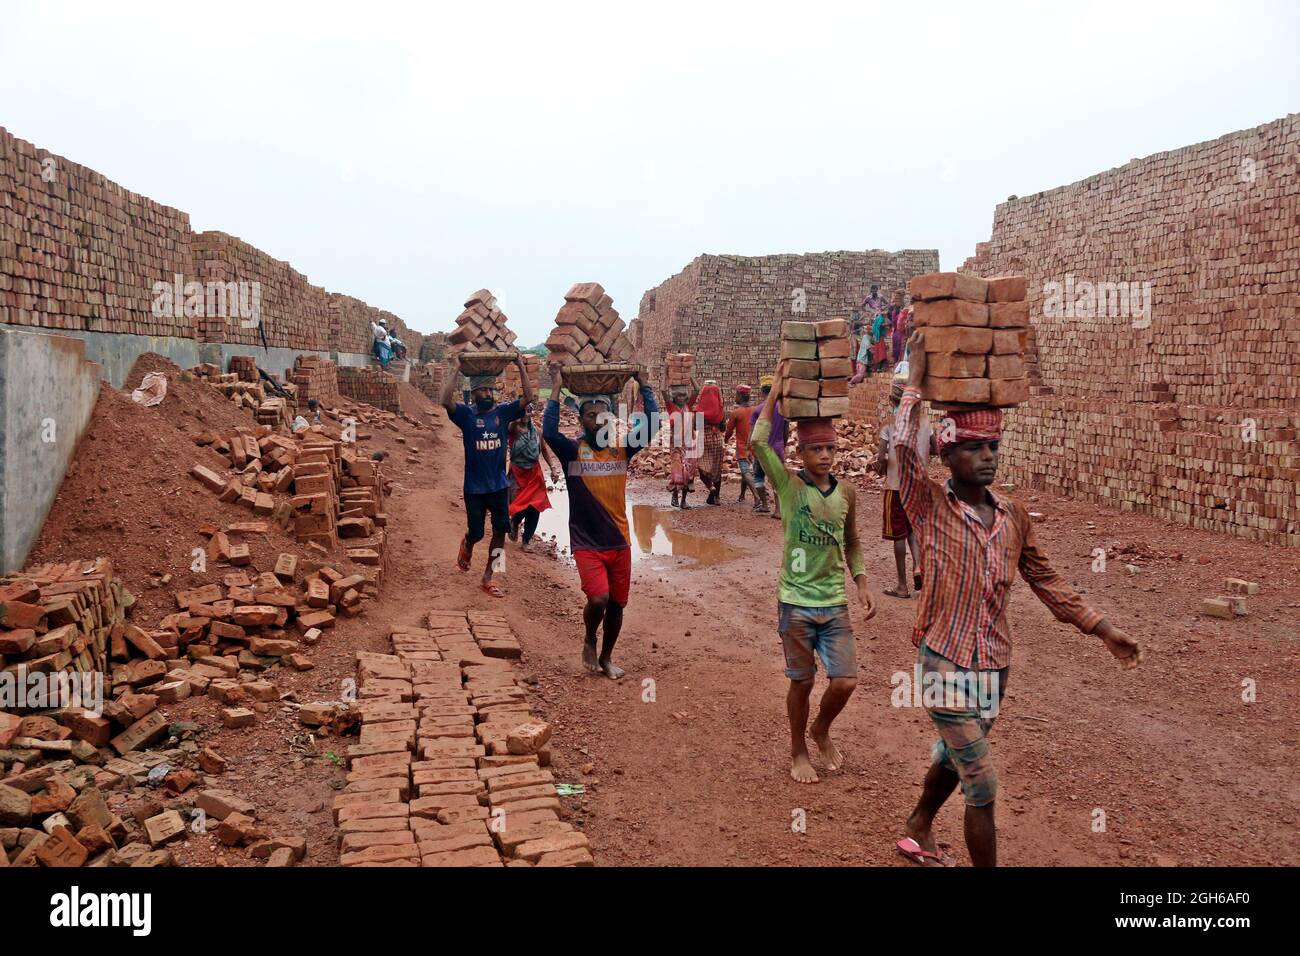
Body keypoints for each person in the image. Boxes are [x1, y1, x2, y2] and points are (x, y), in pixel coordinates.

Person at [892, 330, 1144, 867]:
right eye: (974, 449)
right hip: (942, 662)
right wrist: (914, 381)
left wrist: (1101, 628)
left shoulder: (1013, 516)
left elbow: (1046, 580)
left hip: (994, 666)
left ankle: (917, 822)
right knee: (981, 781)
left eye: (993, 448)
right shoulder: (929, 506)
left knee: (956, 757)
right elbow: (901, 451)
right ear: (948, 453)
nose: (986, 458)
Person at [753, 361, 876, 784]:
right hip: (795, 602)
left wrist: (860, 582)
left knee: (845, 682)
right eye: (815, 450)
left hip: (834, 603)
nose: (824, 457)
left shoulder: (848, 493)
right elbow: (757, 442)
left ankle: (821, 728)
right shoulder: (789, 487)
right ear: (800, 454)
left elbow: (854, 542)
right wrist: (775, 393)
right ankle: (798, 749)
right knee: (801, 683)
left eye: (830, 450)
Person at [543, 363, 659, 679]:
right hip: (586, 543)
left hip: (619, 541)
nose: (598, 420)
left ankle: (606, 658)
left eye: (603, 414)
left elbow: (653, 423)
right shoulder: (572, 452)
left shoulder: (621, 450)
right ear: (581, 420)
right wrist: (555, 387)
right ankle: (588, 638)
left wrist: (644, 384)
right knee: (599, 598)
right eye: (591, 415)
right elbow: (549, 432)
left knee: (618, 605)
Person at [440, 352, 533, 597]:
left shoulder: (502, 413)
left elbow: (529, 398)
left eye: (490, 391)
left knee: (501, 531)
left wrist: (520, 364)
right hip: (474, 488)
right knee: (478, 533)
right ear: (474, 393)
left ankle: (488, 578)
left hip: (499, 486)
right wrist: (456, 368)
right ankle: (468, 543)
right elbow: (445, 400)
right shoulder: (466, 416)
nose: (487, 394)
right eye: (482, 391)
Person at [876, 375, 931, 597]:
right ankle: (918, 566)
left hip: (896, 487)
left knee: (899, 534)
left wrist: (880, 465)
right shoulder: (925, 422)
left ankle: (902, 585)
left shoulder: (889, 424)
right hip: (919, 487)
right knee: (914, 531)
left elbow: (881, 457)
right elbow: (935, 449)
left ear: (892, 399)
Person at [507, 402, 561, 550]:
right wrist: (516, 414)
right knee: (521, 505)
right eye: (522, 411)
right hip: (518, 472)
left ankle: (526, 541)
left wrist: (553, 468)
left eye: (528, 411)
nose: (525, 414)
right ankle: (515, 522)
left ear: (532, 413)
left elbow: (544, 450)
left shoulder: (537, 431)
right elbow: (510, 424)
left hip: (534, 473)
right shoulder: (513, 428)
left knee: (536, 505)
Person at [748, 375, 786, 518]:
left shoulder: (758, 410)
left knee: (758, 477)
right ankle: (779, 510)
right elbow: (785, 431)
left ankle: (764, 505)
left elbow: (752, 434)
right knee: (778, 480)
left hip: (762, 450)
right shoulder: (782, 409)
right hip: (778, 448)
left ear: (762, 391)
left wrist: (749, 449)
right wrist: (784, 446)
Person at [663, 374, 700, 509]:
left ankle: (683, 500)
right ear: (674, 397)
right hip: (676, 446)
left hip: (689, 444)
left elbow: (697, 390)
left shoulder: (688, 406)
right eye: (679, 396)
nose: (682, 398)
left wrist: (690, 375)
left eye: (683, 395)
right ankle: (674, 495)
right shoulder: (671, 407)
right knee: (678, 472)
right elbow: (663, 391)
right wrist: (667, 373)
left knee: (689, 473)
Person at [696, 379, 726, 505]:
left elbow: (695, 426)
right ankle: (717, 498)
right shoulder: (720, 408)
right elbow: (723, 427)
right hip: (718, 440)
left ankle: (710, 487)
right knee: (717, 470)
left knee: (701, 468)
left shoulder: (699, 410)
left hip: (704, 439)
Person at [724, 383, 755, 503]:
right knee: (745, 472)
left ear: (739, 396)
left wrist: (725, 440)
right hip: (754, 447)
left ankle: (757, 498)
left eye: (736, 394)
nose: (734, 397)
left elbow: (729, 431)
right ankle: (742, 495)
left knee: (746, 472)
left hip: (742, 448)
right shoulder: (754, 410)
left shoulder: (736, 413)